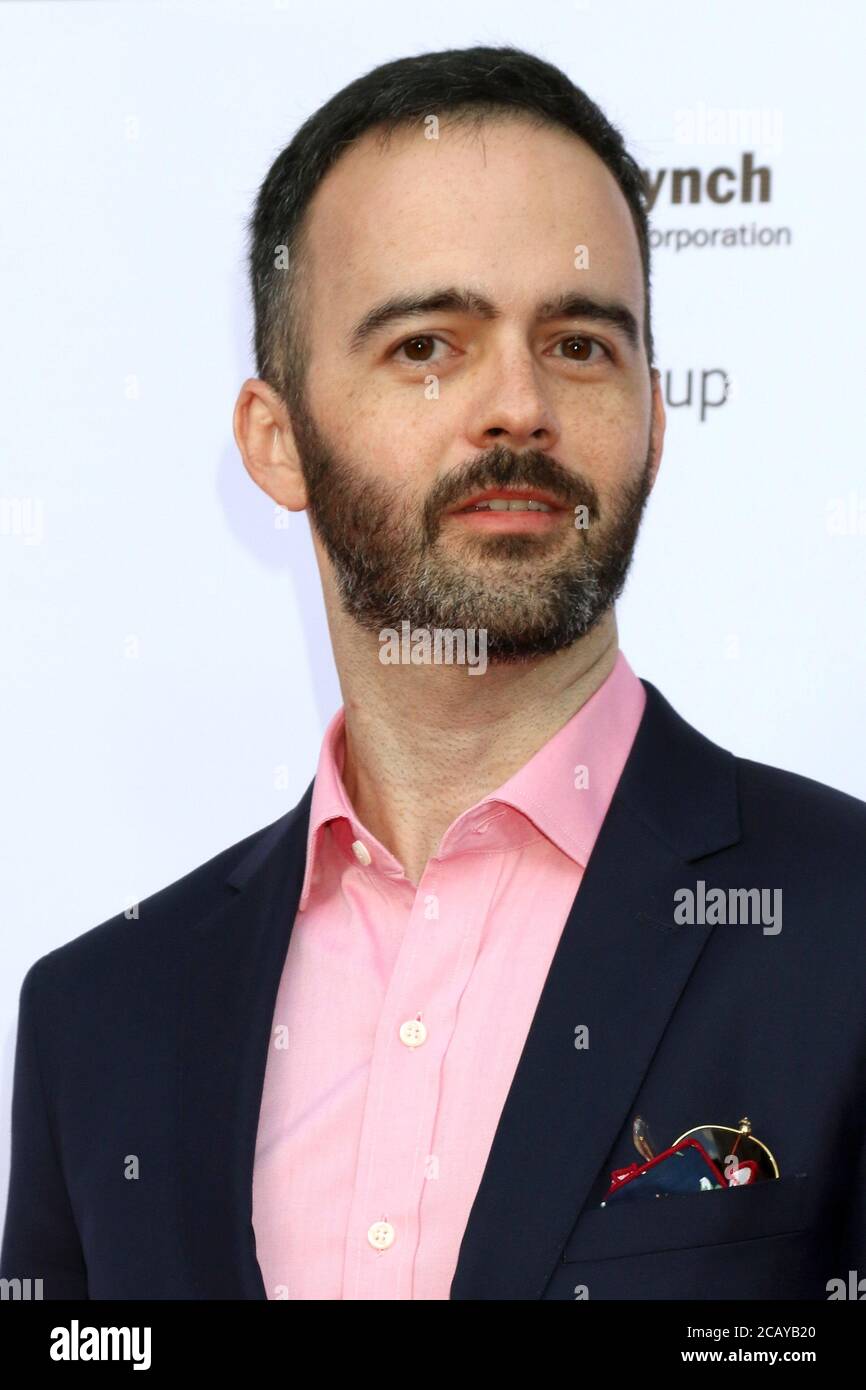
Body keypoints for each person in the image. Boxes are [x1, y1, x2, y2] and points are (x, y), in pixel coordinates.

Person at [2, 45, 865, 1302]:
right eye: (425, 346)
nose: (515, 404)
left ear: (654, 424)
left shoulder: (840, 929)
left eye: (577, 344)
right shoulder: (101, 1018)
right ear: (277, 439)